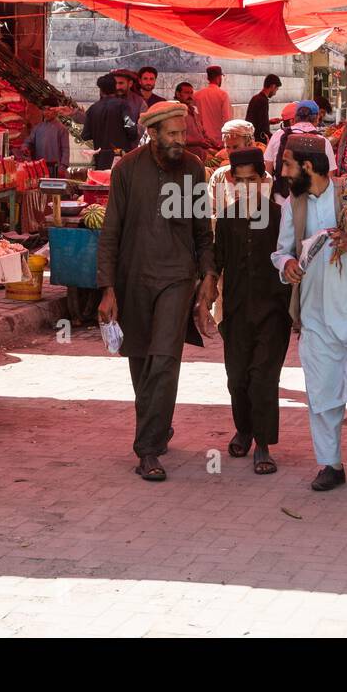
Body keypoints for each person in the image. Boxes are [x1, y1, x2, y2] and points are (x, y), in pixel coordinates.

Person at [97, 101, 218, 483]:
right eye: (173, 134)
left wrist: (208, 277)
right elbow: (111, 231)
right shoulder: (128, 169)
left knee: (164, 359)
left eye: (184, 133)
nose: (181, 140)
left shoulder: (194, 169)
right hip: (134, 279)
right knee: (140, 362)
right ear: (153, 133)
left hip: (176, 279)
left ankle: (147, 450)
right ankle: (158, 426)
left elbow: (202, 230)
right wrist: (107, 288)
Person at [272, 134, 347, 491]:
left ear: (308, 167)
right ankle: (330, 464)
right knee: (322, 388)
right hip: (315, 311)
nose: (282, 172)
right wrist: (288, 264)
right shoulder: (292, 205)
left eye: (287, 165)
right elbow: (280, 252)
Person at [213, 148, 291, 476]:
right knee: (237, 379)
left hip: (274, 311)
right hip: (235, 311)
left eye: (252, 181)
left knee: (263, 378)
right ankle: (243, 429)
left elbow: (293, 258)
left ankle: (262, 443)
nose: (246, 187)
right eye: (239, 181)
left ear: (264, 180)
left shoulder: (280, 216)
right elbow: (217, 263)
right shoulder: (227, 219)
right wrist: (205, 300)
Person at [264, 99, 337, 198]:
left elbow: (267, 170)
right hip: (311, 200)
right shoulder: (323, 141)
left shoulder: (278, 135)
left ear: (295, 118)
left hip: (282, 198)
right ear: (317, 118)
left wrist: (266, 203)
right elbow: (329, 176)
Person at [84, 73, 138, 170]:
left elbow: (85, 135)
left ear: (101, 90)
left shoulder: (93, 108)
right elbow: (132, 130)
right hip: (121, 157)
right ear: (115, 87)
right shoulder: (123, 105)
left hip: (100, 159)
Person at [175, 81, 219, 162]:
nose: (190, 96)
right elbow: (176, 139)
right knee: (188, 175)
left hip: (200, 157)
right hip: (186, 159)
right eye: (186, 93)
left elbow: (202, 132)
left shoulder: (194, 112)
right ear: (178, 94)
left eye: (191, 93)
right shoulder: (176, 113)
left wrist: (211, 141)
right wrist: (198, 142)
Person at [23, 103, 71, 178]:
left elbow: (65, 149)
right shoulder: (37, 128)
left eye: (49, 109)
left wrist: (63, 167)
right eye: (44, 109)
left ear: (56, 110)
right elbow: (28, 142)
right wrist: (25, 147)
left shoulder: (62, 129)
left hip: (56, 169)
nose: (46, 112)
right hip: (39, 169)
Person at [194, 65, 233, 147]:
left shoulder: (197, 95)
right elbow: (227, 120)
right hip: (219, 141)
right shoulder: (222, 95)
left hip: (203, 140)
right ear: (219, 77)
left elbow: (195, 117)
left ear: (208, 78)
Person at [245, 74, 280, 144]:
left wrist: (269, 122)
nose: (275, 93)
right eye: (276, 89)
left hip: (251, 137)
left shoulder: (255, 98)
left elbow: (256, 120)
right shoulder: (263, 101)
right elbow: (263, 128)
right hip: (259, 141)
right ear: (272, 86)